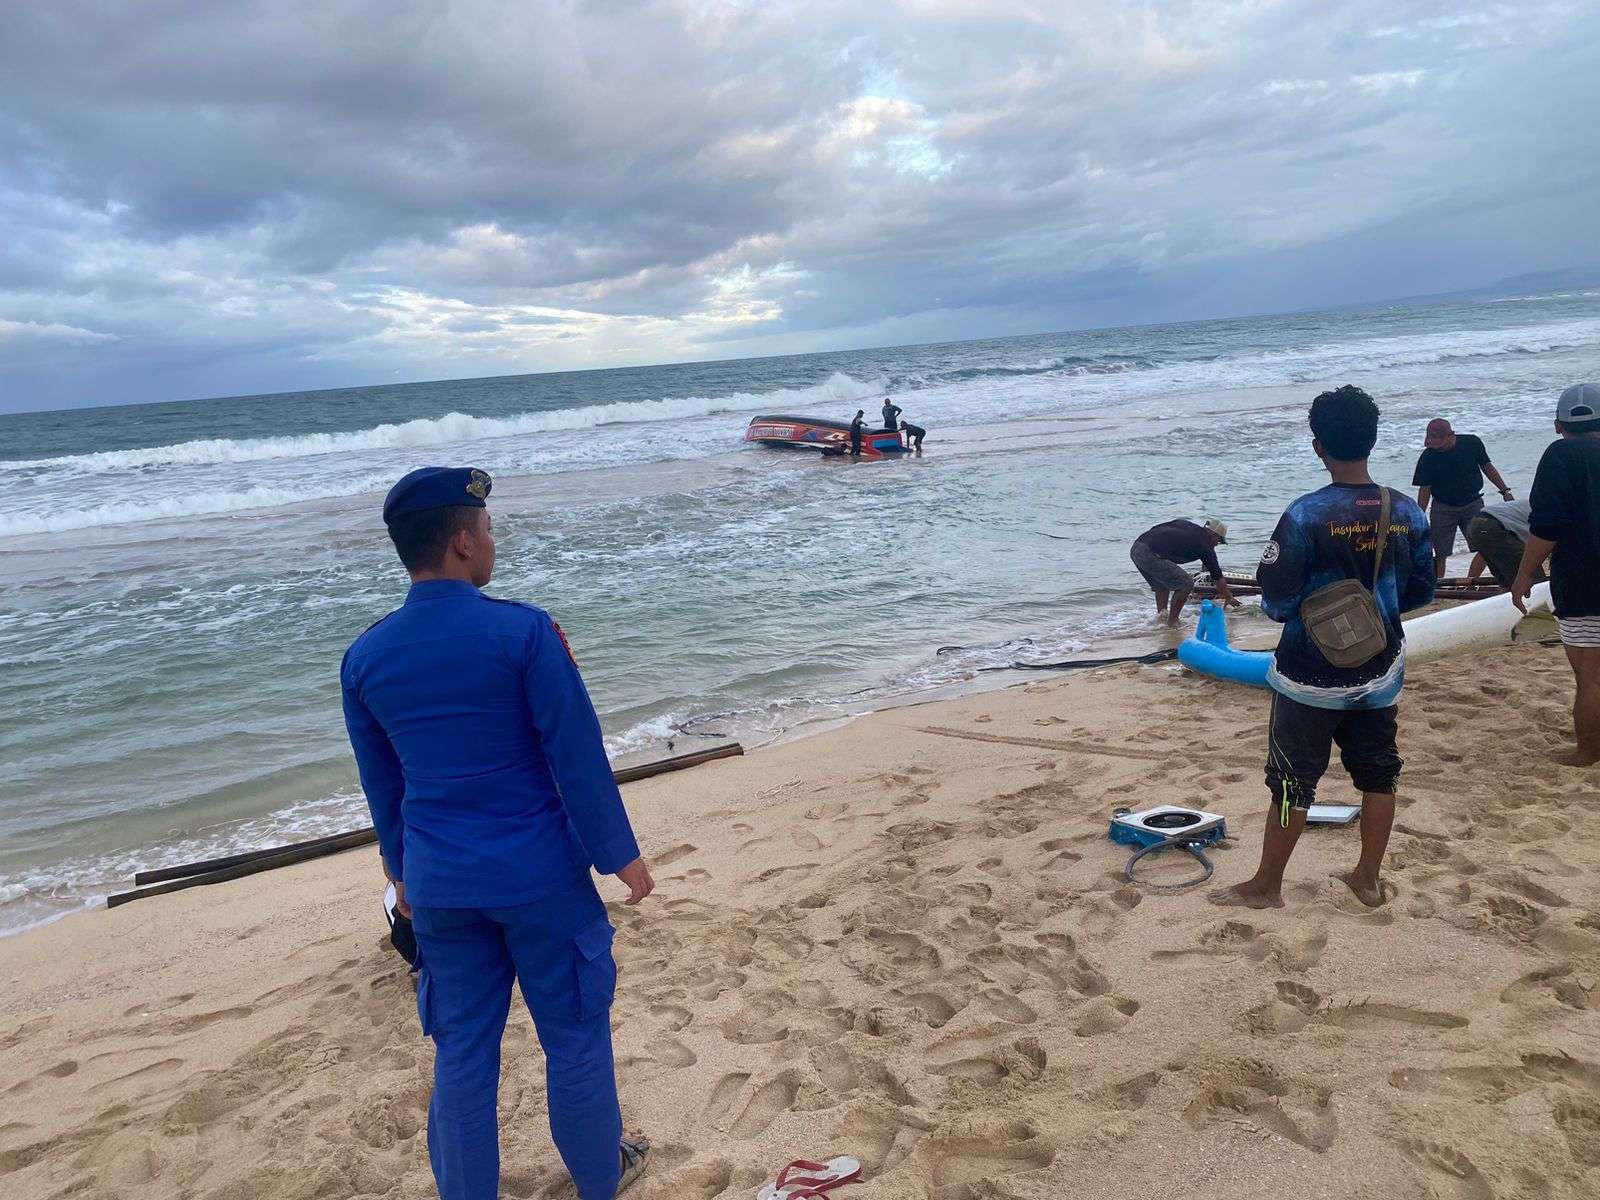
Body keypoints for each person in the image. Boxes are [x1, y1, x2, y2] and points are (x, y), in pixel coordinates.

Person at [341, 466, 655, 1200]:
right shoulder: (524, 632)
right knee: (574, 1038)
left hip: (442, 886)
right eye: (486, 529)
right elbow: (575, 753)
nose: (492, 540)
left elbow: (382, 785)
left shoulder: (366, 657)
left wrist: (401, 876)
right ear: (459, 542)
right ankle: (599, 1177)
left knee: (462, 1056)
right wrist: (620, 855)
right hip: (539, 879)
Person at [1213, 385, 1434, 910]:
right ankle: (1368, 879)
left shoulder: (1305, 515)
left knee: (1292, 780)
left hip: (1308, 676)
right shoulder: (1407, 511)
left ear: (1319, 447)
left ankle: (1267, 887)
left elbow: (1278, 599)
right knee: (1379, 772)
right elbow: (1421, 591)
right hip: (1381, 670)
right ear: (1373, 441)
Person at [1513, 384, 1600, 766]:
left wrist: (1524, 574)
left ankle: (1589, 751)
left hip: (1585, 583)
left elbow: (1547, 527)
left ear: (1557, 425)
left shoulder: (1561, 454)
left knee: (1591, 676)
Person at [1412, 418, 1513, 579]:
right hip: (1442, 508)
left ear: (1451, 435)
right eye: (1433, 442)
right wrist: (1418, 516)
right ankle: (1438, 586)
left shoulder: (1472, 443)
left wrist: (1505, 490)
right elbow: (1425, 489)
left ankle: (1470, 581)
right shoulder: (1428, 456)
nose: (1436, 447)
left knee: (1485, 546)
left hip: (1473, 503)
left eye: (1439, 442)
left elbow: (1487, 467)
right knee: (1440, 553)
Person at [1128, 517, 1239, 626]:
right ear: (1213, 535)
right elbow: (1217, 576)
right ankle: (1173, 621)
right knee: (1186, 584)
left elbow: (1156, 530)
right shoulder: (1204, 545)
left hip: (1137, 548)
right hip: (1149, 554)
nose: (1216, 544)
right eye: (1218, 541)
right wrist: (1228, 596)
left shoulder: (1187, 526)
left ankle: (1162, 618)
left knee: (1161, 586)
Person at [1464, 498, 1540, 589]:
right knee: (1534, 579)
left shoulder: (1541, 503)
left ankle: (1470, 586)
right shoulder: (1554, 512)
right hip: (1493, 525)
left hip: (1477, 523)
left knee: (1507, 580)